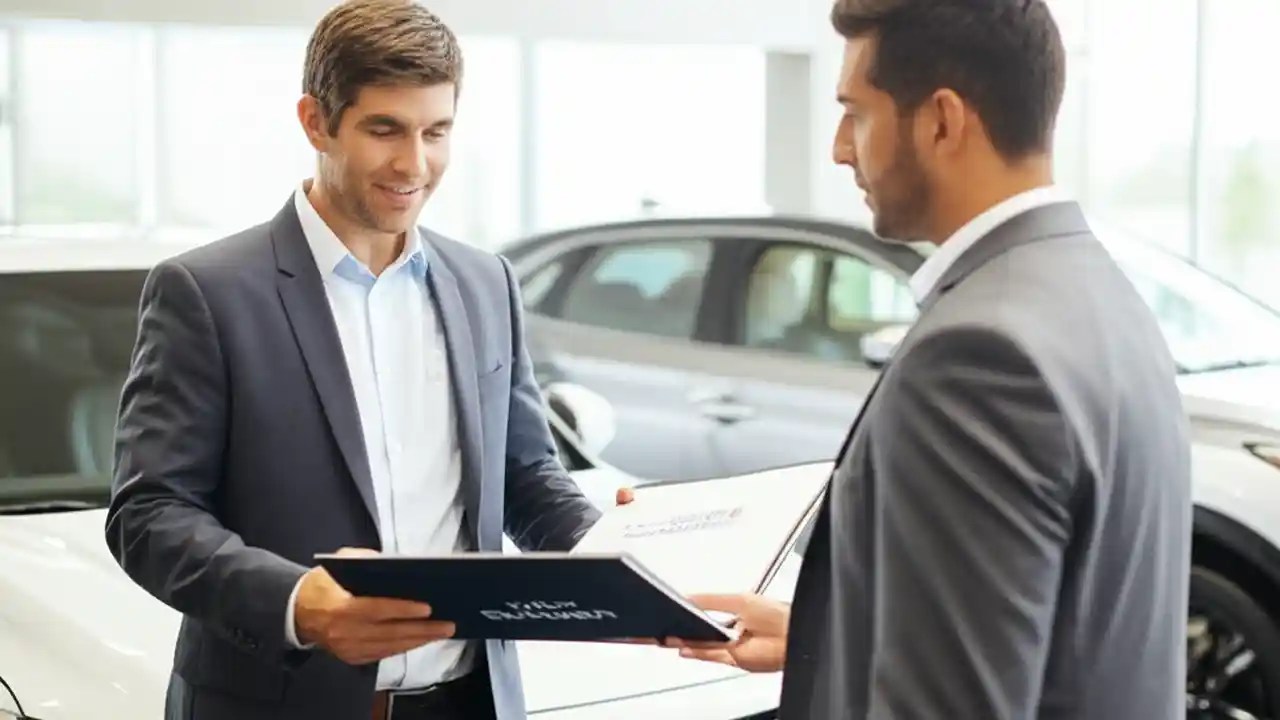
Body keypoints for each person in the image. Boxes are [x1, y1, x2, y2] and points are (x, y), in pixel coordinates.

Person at [669, 1, 1193, 718]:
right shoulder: (1098, 292)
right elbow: (1061, 629)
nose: (839, 149)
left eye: (856, 113)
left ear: (942, 120)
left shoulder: (979, 357)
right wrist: (822, 639)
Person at [104, 2, 619, 718]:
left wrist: (623, 547)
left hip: (468, 702)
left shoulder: (485, 284)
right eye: (385, 130)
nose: (415, 164)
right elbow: (148, 514)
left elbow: (525, 477)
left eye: (435, 132)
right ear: (316, 122)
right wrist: (296, 601)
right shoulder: (208, 293)